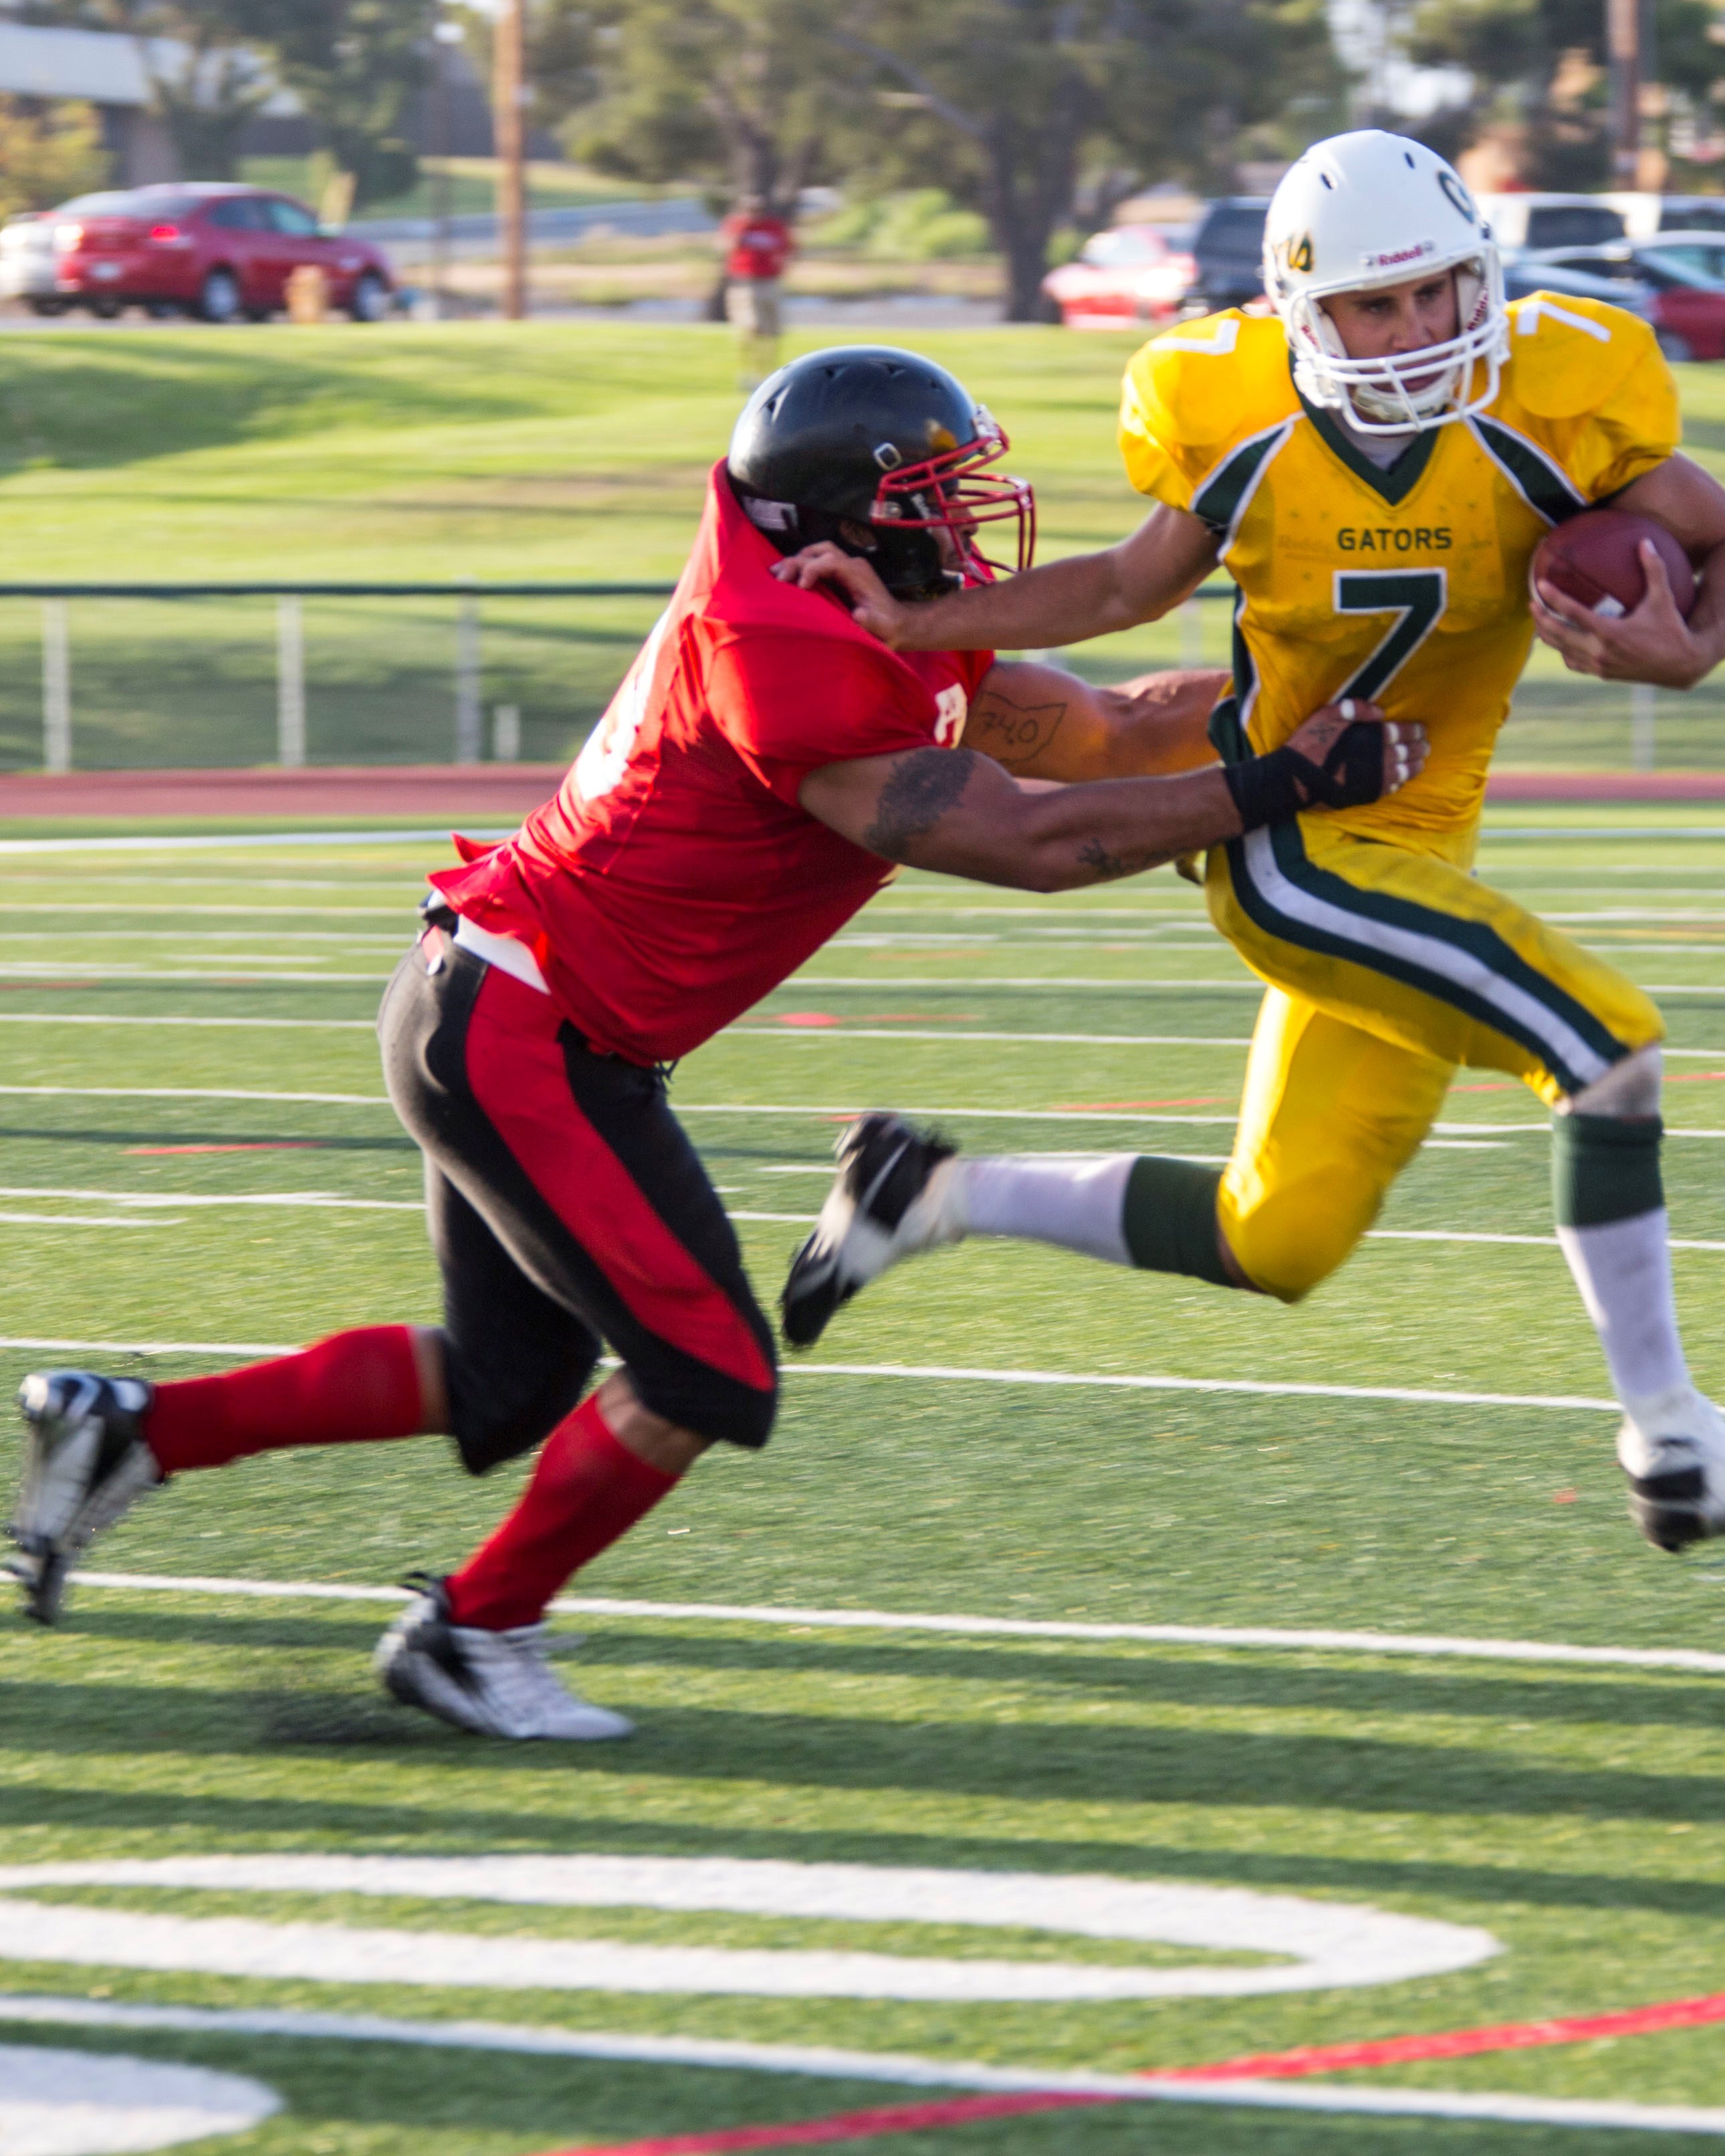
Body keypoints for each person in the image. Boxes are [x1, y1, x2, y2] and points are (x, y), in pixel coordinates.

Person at [7, 343, 1425, 1737]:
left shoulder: (865, 613)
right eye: (929, 495)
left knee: (512, 1380)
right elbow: (1044, 843)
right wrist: (1277, 794)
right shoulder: (784, 653)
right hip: (525, 1026)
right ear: (827, 523)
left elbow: (1109, 739)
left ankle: (137, 1429)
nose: (963, 522)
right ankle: (475, 1630)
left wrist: (1311, 701)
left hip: (523, 1010)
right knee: (709, 1374)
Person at [776, 133, 1725, 1555]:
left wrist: (1688, 653)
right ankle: (1677, 1449)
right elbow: (1122, 585)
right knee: (1607, 1050)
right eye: (1379, 305)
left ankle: (926, 1191)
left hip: (1420, 851)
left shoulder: (1553, 396)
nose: (1420, 329)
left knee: (1276, 1235)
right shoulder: (1233, 418)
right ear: (1306, 312)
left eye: (1440, 289)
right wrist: (920, 624)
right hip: (1293, 841)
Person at [719, 194, 794, 387]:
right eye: (751, 210)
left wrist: (784, 267)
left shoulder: (773, 227)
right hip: (746, 283)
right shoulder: (737, 225)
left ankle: (770, 372)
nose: (755, 214)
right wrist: (743, 229)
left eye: (758, 210)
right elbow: (727, 247)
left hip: (769, 282)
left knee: (772, 331)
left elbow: (789, 248)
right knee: (750, 329)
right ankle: (749, 372)